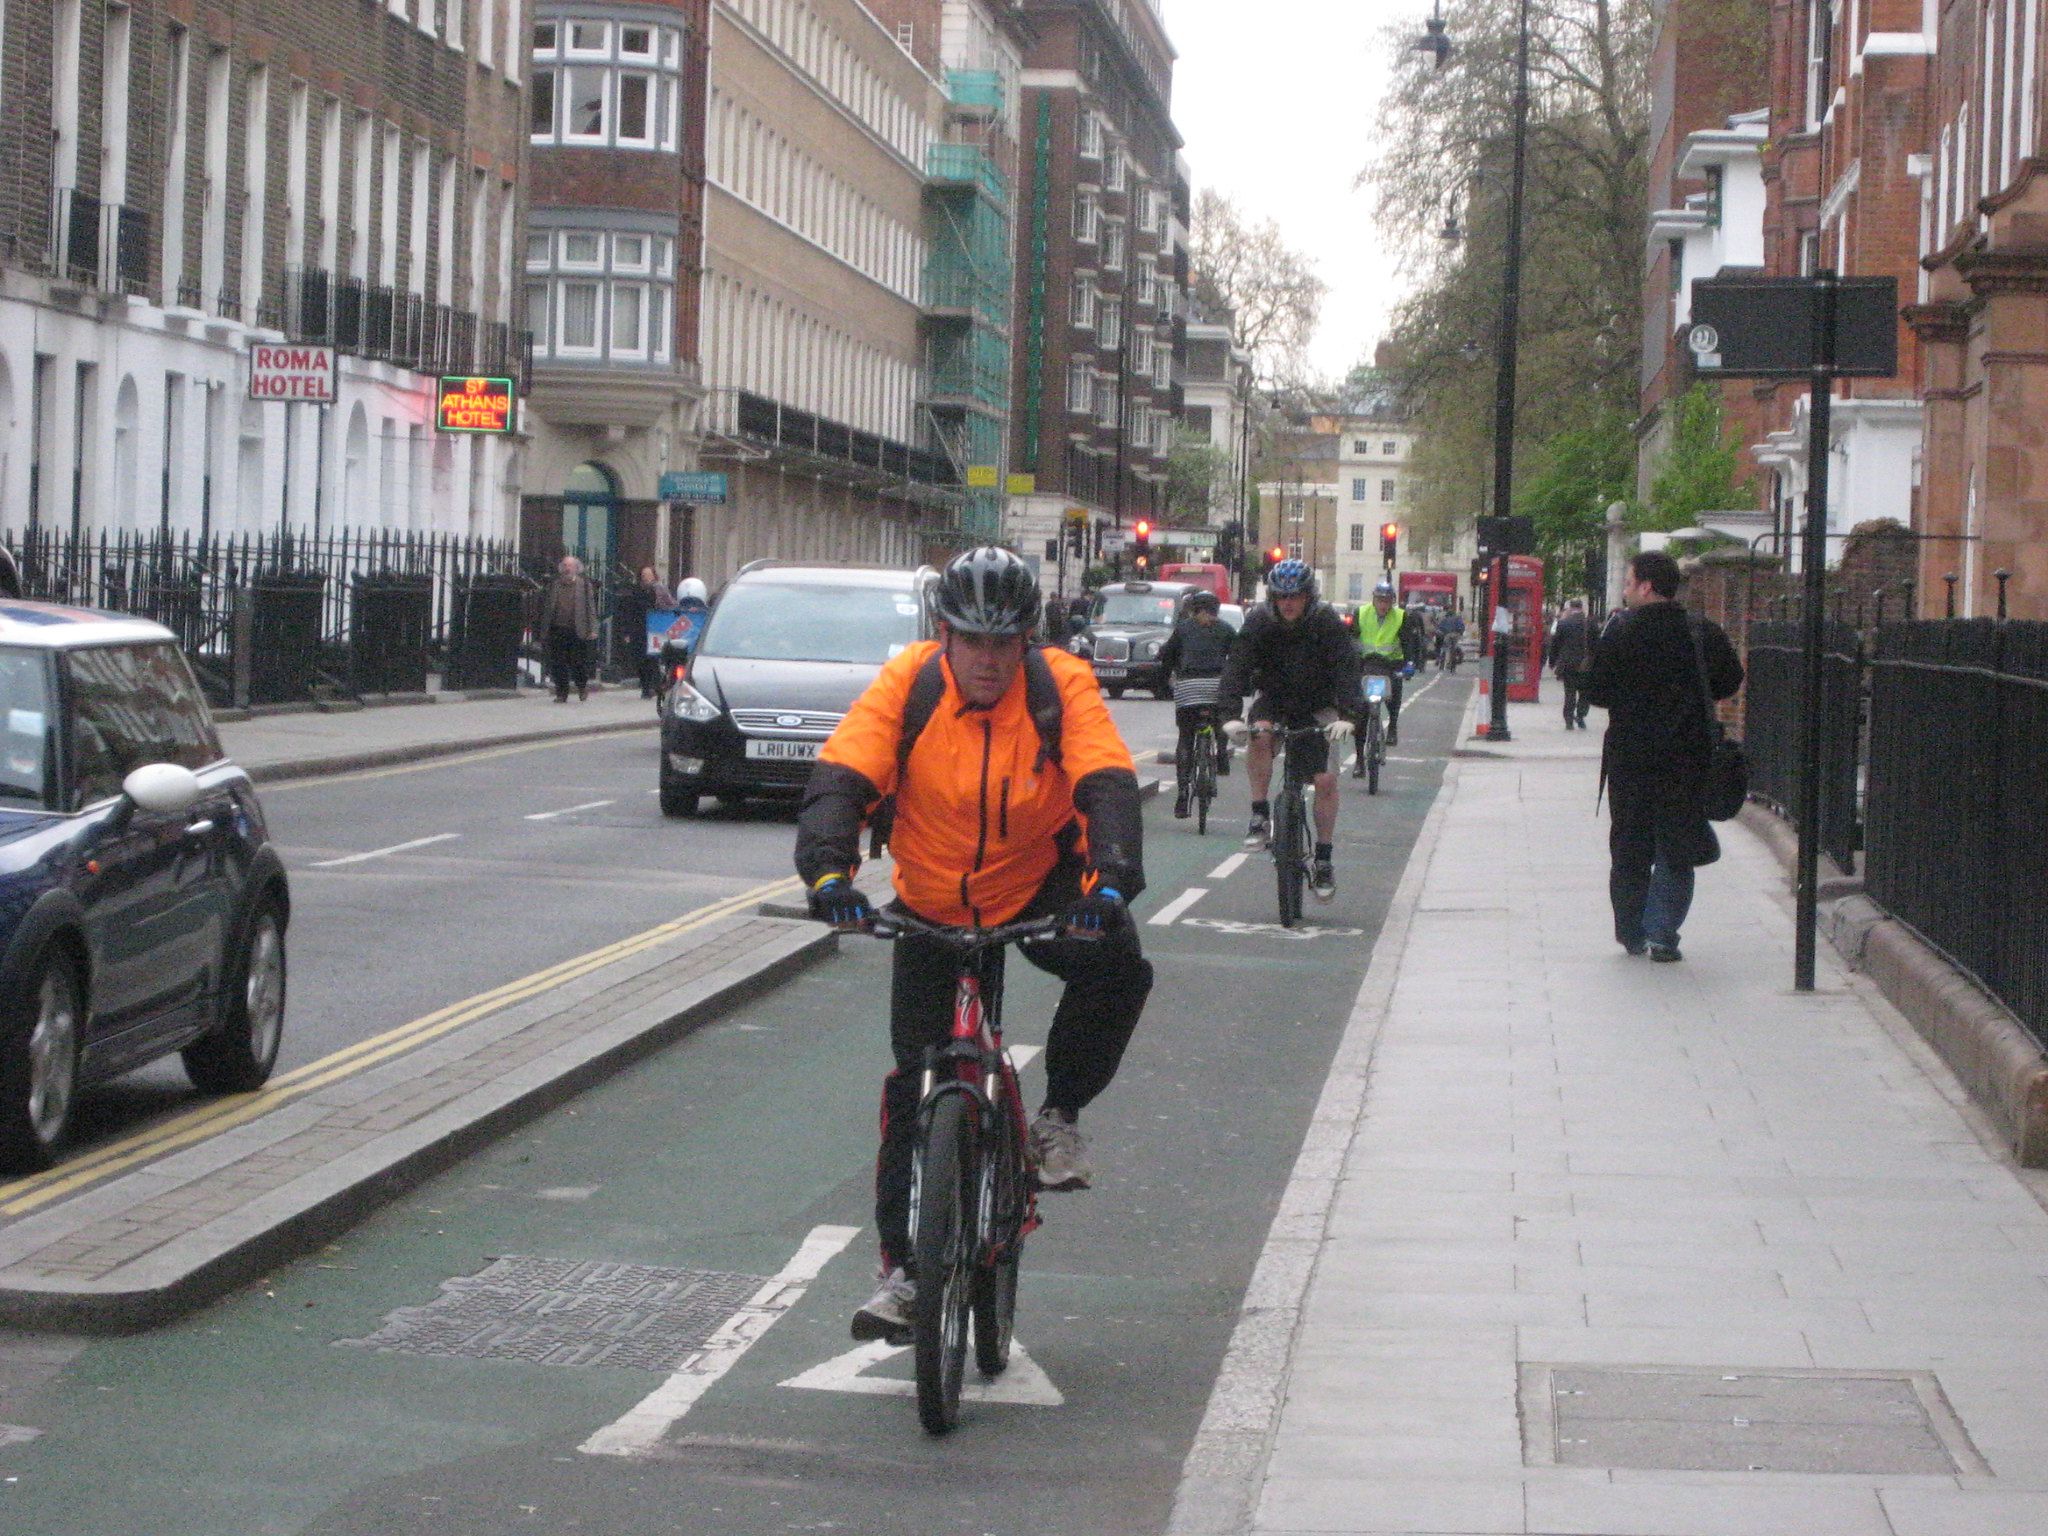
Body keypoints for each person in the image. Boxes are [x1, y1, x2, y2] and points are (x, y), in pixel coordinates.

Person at [794, 546, 1153, 1343]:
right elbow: (846, 773)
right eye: (972, 640)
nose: (988, 660)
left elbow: (1104, 779)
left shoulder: (1062, 687)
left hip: (1036, 885)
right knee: (913, 1091)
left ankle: (1057, 1115)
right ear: (945, 635)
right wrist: (829, 875)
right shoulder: (910, 685)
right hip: (930, 900)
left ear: (1028, 638)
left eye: (1004, 643)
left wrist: (1110, 884)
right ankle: (906, 1276)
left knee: (1118, 967)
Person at [1582, 551, 1743, 963]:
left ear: (1646, 586)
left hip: (1631, 757)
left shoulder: (1620, 631)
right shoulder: (1699, 631)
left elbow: (1596, 691)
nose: (1625, 589)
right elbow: (1730, 679)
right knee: (1677, 846)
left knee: (1630, 845)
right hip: (1687, 759)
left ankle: (1632, 931)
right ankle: (1662, 933)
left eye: (1629, 581)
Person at [1216, 559, 1359, 900]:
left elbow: (1347, 669)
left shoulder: (1327, 622)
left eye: (1295, 596)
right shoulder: (1260, 622)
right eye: (1281, 596)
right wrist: (1229, 716)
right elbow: (1236, 666)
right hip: (1275, 701)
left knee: (1324, 779)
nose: (1288, 603)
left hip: (1318, 705)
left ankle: (1323, 858)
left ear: (1309, 597)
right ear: (1273, 598)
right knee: (1260, 734)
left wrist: (1349, 715)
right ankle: (1259, 815)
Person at [1156, 589, 1237, 817]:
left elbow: (1167, 658)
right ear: (1216, 610)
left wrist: (1163, 683)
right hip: (1216, 686)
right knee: (1222, 716)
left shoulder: (1182, 629)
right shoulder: (1226, 629)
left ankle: (1183, 794)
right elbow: (1239, 657)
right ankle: (1221, 752)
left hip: (1189, 687)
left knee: (1185, 737)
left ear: (1193, 609)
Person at [1355, 579, 1423, 755]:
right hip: (1367, 663)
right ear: (1374, 600)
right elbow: (1351, 640)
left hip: (1391, 664)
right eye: (1380, 600)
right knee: (1361, 714)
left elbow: (1407, 642)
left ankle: (1392, 725)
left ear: (1392, 601)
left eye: (1387, 601)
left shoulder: (1400, 616)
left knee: (1395, 692)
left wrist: (1409, 664)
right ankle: (1360, 761)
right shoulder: (1361, 613)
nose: (1383, 605)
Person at [541, 555, 599, 702]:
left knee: (577, 662)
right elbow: (548, 608)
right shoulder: (555, 585)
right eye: (565, 565)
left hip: (577, 629)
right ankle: (562, 693)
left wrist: (592, 629)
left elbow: (591, 608)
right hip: (558, 628)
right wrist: (544, 629)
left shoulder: (584, 585)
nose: (567, 569)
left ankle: (581, 686)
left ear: (576, 568)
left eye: (570, 566)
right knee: (558, 663)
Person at [624, 565, 672, 699]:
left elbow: (670, 604)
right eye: (644, 575)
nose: (646, 578)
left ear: (654, 576)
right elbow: (630, 611)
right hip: (639, 629)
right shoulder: (636, 591)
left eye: (649, 575)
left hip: (655, 629)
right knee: (640, 660)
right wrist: (627, 632)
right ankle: (645, 686)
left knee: (652, 659)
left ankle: (654, 687)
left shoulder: (660, 590)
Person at [1549, 597, 1593, 728]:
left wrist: (1552, 661)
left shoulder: (1563, 623)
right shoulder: (1590, 623)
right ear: (1581, 608)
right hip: (1585, 664)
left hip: (1568, 663)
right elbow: (1596, 644)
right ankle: (1580, 715)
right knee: (1585, 692)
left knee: (1570, 692)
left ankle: (1569, 720)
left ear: (1570, 608)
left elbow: (1555, 644)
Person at [1436, 606, 1465, 670]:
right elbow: (1462, 627)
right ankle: (1454, 662)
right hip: (1456, 634)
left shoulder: (1445, 619)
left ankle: (1443, 663)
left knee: (1445, 649)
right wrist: (1460, 633)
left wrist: (1442, 633)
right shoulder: (1458, 618)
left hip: (1448, 635)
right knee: (1455, 647)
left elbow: (1440, 628)